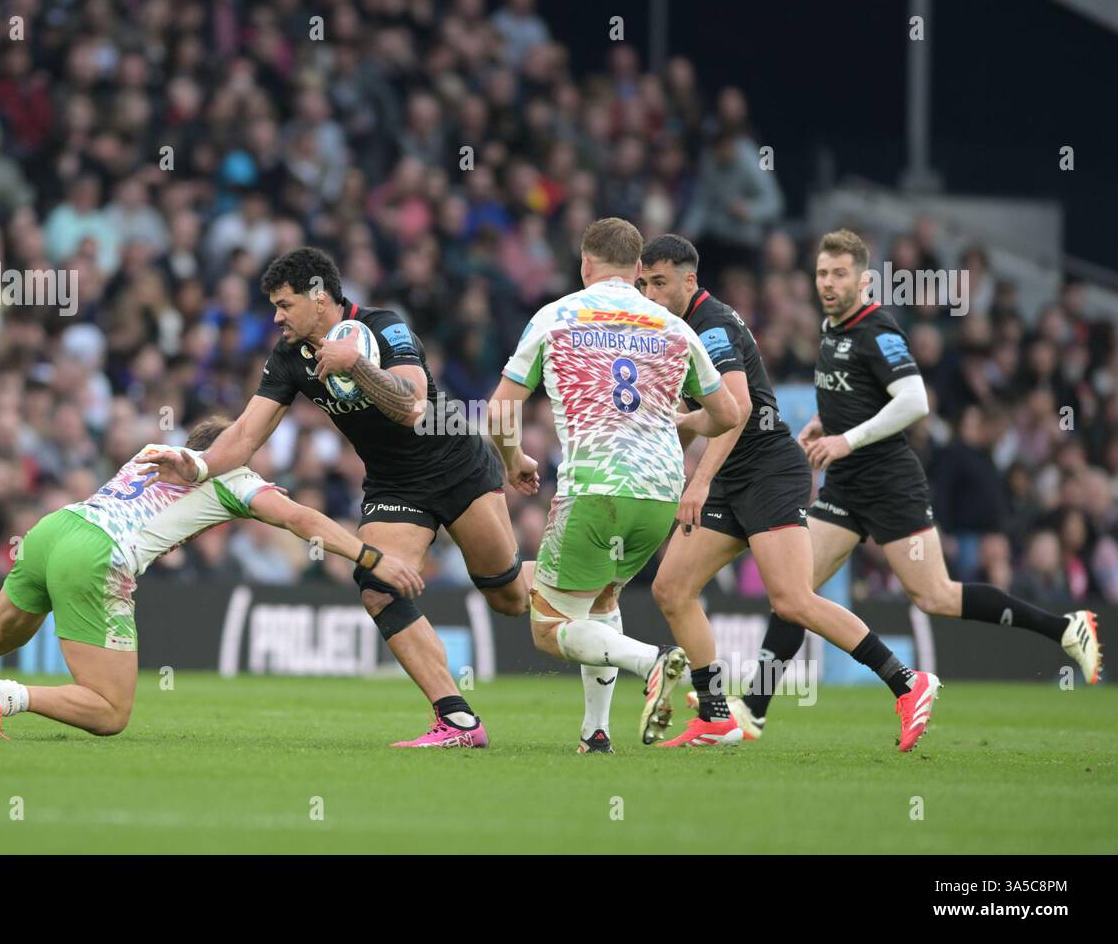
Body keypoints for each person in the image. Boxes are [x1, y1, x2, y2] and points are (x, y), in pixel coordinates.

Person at [139, 247, 529, 748]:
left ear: (319, 297)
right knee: (376, 584)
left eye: (285, 305)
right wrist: (194, 463)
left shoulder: (385, 326)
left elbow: (412, 406)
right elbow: (244, 437)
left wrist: (357, 365)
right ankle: (458, 721)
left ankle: (572, 588)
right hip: (394, 484)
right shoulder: (289, 357)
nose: (276, 317)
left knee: (509, 597)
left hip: (456, 461)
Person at [741, 229, 1100, 736]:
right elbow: (859, 394)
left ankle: (1065, 628)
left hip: (889, 484)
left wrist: (847, 440)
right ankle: (752, 709)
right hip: (846, 486)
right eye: (822, 272)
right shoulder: (831, 327)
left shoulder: (877, 330)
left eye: (839, 273)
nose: (827, 282)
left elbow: (914, 402)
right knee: (793, 592)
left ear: (864, 281)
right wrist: (828, 422)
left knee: (935, 596)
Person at [0, 417, 422, 739]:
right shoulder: (238, 478)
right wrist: (371, 557)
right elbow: (302, 519)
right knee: (111, 711)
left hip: (56, 527)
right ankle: (3, 696)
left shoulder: (154, 451)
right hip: (98, 555)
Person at [638, 234, 938, 751]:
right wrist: (684, 425)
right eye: (643, 283)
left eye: (659, 283)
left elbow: (739, 409)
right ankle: (716, 714)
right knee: (671, 589)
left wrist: (699, 479)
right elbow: (716, 412)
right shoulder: (681, 325)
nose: (649, 294)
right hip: (735, 473)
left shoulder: (710, 327)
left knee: (793, 600)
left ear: (689, 281)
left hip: (769, 473)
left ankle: (907, 683)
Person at [486, 217, 741, 753]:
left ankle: (650, 663)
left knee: (547, 624)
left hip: (595, 487)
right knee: (601, 600)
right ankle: (596, 733)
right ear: (639, 270)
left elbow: (499, 412)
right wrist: (680, 422)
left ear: (585, 264)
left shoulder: (556, 317)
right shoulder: (674, 328)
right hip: (660, 493)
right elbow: (729, 413)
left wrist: (513, 460)